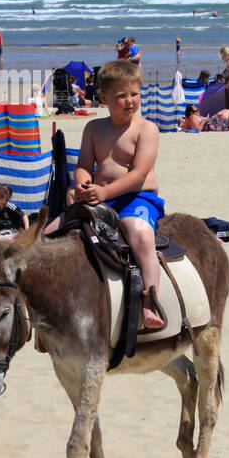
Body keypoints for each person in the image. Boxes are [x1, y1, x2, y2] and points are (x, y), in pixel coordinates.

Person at [75, 59, 166, 332]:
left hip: (137, 198)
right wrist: (83, 183)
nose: (130, 101)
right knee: (53, 232)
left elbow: (138, 173)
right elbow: (83, 164)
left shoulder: (146, 129)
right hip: (101, 197)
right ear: (103, 98)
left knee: (139, 235)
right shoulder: (93, 128)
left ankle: (150, 302)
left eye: (135, 94)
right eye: (121, 96)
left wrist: (104, 192)